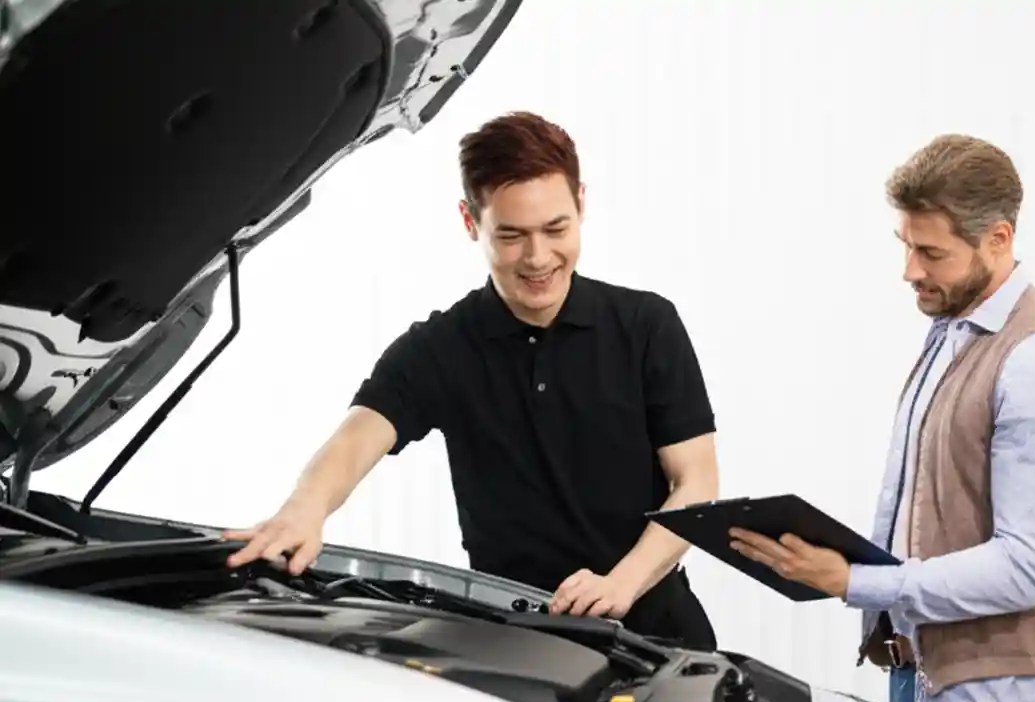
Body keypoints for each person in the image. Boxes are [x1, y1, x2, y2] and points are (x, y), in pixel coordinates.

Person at [223, 110, 722, 650]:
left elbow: (696, 483)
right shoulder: (441, 349)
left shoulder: (647, 325)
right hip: (515, 646)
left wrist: (621, 584)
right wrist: (304, 509)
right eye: (511, 236)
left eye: (556, 229)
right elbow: (358, 436)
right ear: (470, 222)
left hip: (660, 637)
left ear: (581, 203)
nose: (538, 258)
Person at [727, 133, 1035, 702]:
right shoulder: (955, 327)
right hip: (922, 682)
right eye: (905, 245)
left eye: (931, 253)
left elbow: (1026, 568)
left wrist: (854, 580)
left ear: (998, 239)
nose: (909, 270)